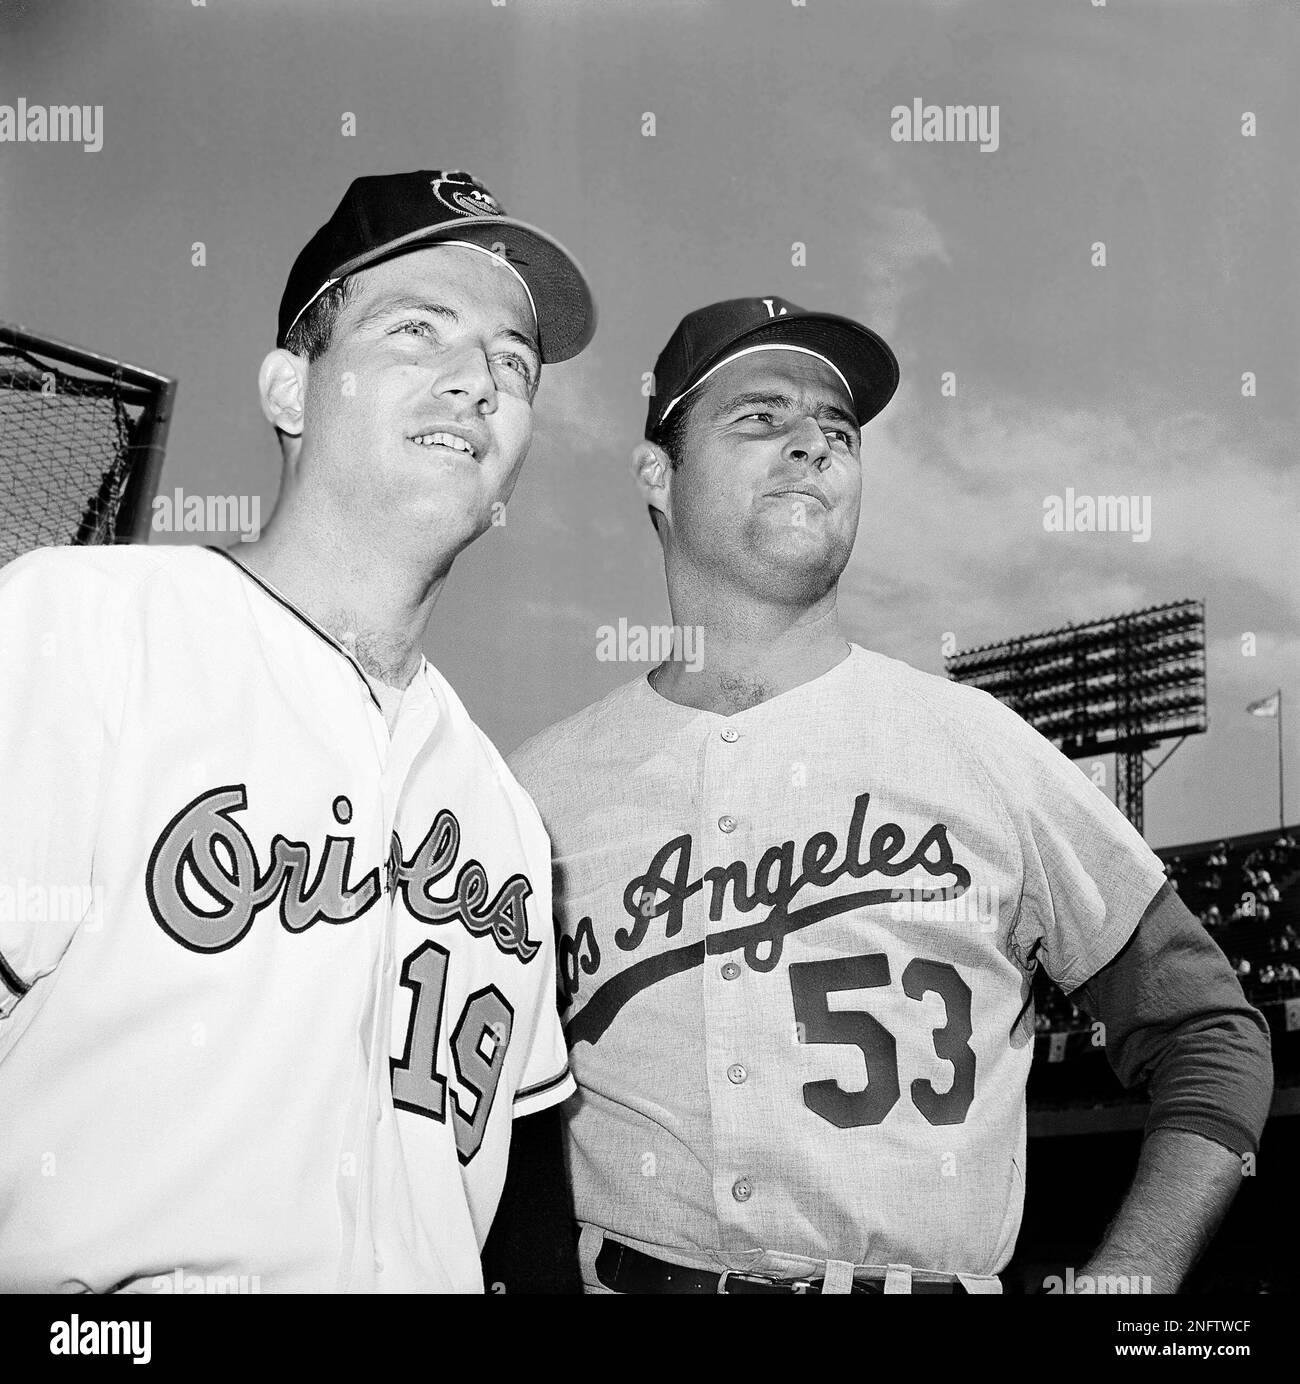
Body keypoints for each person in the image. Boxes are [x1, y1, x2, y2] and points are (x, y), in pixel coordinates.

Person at [509, 294, 1274, 1294]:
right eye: (760, 419)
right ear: (658, 474)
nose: (811, 447)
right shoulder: (533, 791)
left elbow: (1206, 1030)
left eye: (836, 432)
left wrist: (1136, 1274)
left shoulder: (978, 748)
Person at [0, 169, 593, 1292]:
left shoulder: (502, 815)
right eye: (417, 330)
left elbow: (525, 1219)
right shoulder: (79, 633)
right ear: (289, 388)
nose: (478, 382)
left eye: (513, 362)